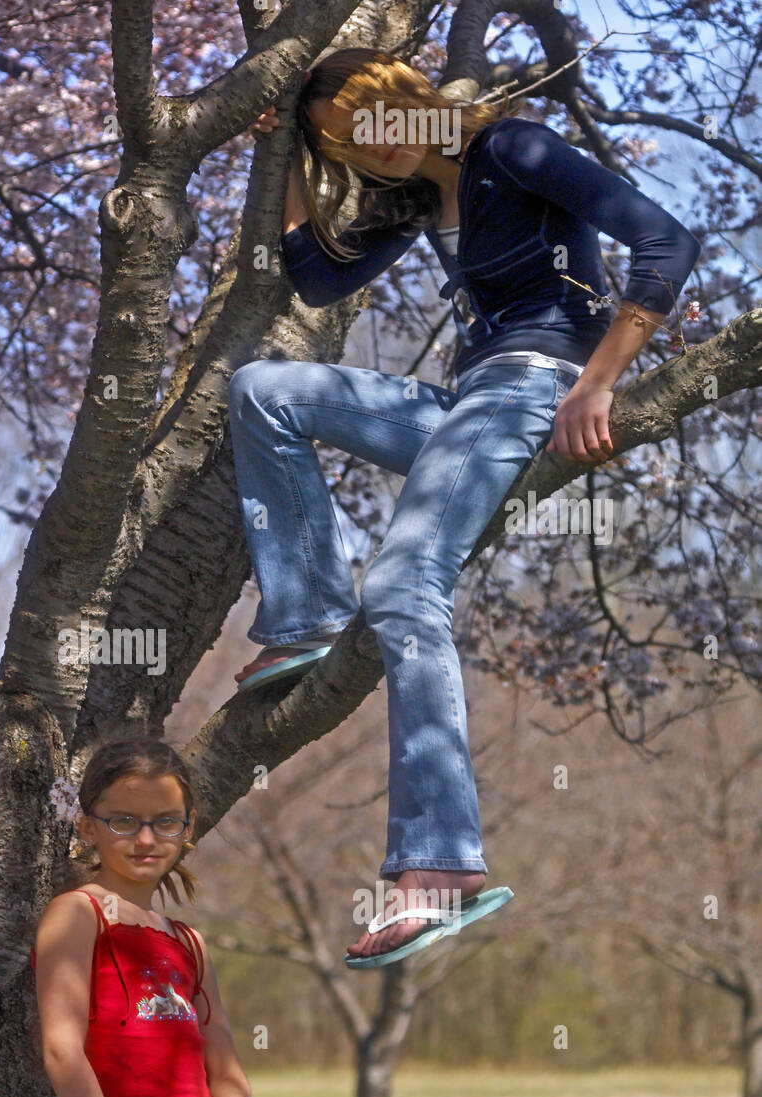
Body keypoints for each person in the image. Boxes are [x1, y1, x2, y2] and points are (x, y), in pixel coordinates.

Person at [228, 47, 700, 965]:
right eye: (350, 144)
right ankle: (308, 613)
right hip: (464, 403)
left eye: (376, 120)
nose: (378, 149)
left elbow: (667, 239)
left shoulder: (516, 149)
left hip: (533, 385)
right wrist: (287, 144)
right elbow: (314, 278)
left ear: (407, 95)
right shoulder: (413, 199)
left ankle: (440, 865)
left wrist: (597, 383)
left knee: (405, 584)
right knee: (262, 388)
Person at [32, 738, 252, 1097]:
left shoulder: (189, 942)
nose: (147, 839)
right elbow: (62, 1050)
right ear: (87, 826)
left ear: (188, 828)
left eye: (165, 822)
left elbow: (226, 1074)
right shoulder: (76, 914)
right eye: (124, 821)